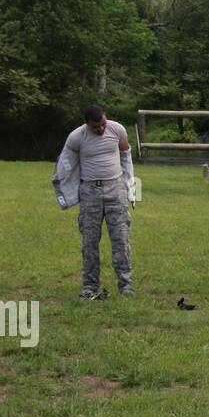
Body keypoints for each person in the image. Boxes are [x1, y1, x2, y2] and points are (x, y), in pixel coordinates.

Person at [52, 105, 136, 299]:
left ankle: (126, 285)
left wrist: (129, 186)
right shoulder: (76, 137)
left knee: (121, 239)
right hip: (90, 192)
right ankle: (90, 286)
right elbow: (66, 164)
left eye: (103, 124)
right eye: (96, 127)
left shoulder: (117, 129)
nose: (101, 129)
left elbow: (126, 156)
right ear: (87, 124)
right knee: (89, 242)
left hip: (115, 189)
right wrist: (65, 189)